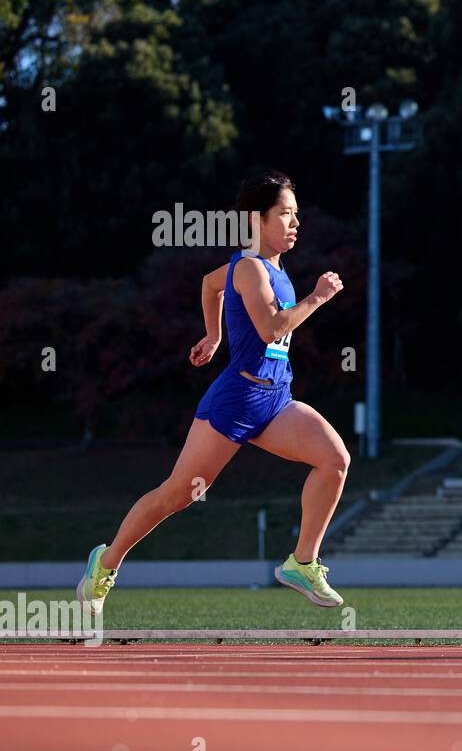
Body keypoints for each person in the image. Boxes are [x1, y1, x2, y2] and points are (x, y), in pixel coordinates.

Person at [77, 171, 351, 616]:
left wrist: (213, 334)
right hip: (236, 401)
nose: (295, 223)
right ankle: (105, 564)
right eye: (285, 214)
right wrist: (318, 297)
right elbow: (271, 327)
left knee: (335, 460)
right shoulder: (248, 266)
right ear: (255, 220)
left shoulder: (275, 270)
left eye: (296, 214)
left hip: (276, 400)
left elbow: (208, 284)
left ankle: (302, 562)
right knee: (176, 495)